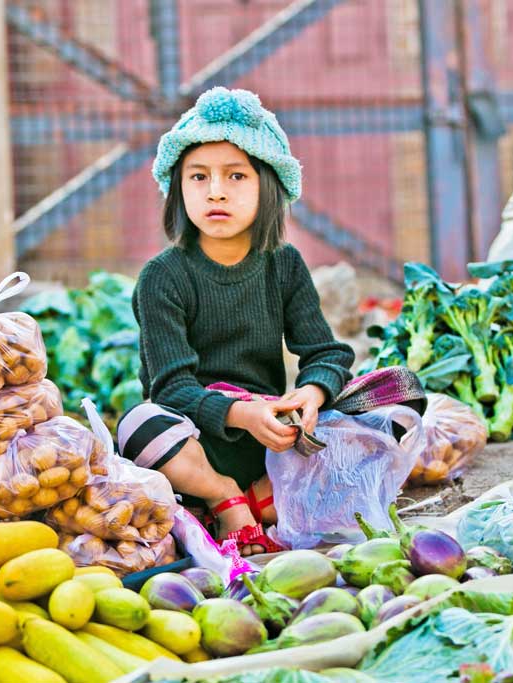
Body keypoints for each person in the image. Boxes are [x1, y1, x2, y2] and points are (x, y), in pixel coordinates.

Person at [117, 87, 355, 555]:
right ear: (178, 189)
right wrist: (240, 414)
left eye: (236, 176)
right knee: (138, 423)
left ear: (268, 187)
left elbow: (327, 353)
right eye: (198, 177)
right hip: (194, 444)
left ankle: (266, 493)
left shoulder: (283, 264)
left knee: (386, 402)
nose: (216, 191)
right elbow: (170, 389)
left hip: (274, 441)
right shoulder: (162, 277)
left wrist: (310, 394)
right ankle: (224, 497)